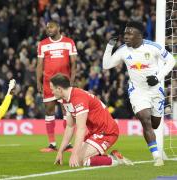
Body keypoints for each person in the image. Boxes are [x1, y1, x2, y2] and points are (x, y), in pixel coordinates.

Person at [103, 21, 176, 166]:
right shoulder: (123, 50)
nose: (126, 36)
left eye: (130, 33)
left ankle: (156, 150)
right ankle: (156, 157)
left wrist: (158, 78)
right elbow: (106, 65)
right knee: (145, 119)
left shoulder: (153, 47)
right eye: (125, 33)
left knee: (155, 124)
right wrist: (109, 46)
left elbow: (171, 61)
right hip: (137, 91)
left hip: (155, 91)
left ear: (140, 35)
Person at [51, 73, 133, 167]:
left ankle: (113, 159)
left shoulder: (78, 98)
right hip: (95, 132)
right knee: (78, 156)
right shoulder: (65, 100)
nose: (51, 92)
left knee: (79, 160)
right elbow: (70, 127)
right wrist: (60, 151)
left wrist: (74, 154)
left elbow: (81, 128)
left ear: (59, 89)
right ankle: (105, 156)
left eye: (52, 88)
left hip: (106, 132)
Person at [36, 20, 77, 152]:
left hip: (64, 82)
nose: (49, 29)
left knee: (67, 111)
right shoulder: (42, 44)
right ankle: (52, 144)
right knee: (49, 111)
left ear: (58, 28)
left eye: (51, 27)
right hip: (49, 83)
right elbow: (40, 65)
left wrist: (72, 80)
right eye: (47, 27)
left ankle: (68, 144)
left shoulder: (69, 42)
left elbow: (74, 64)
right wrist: (38, 81)